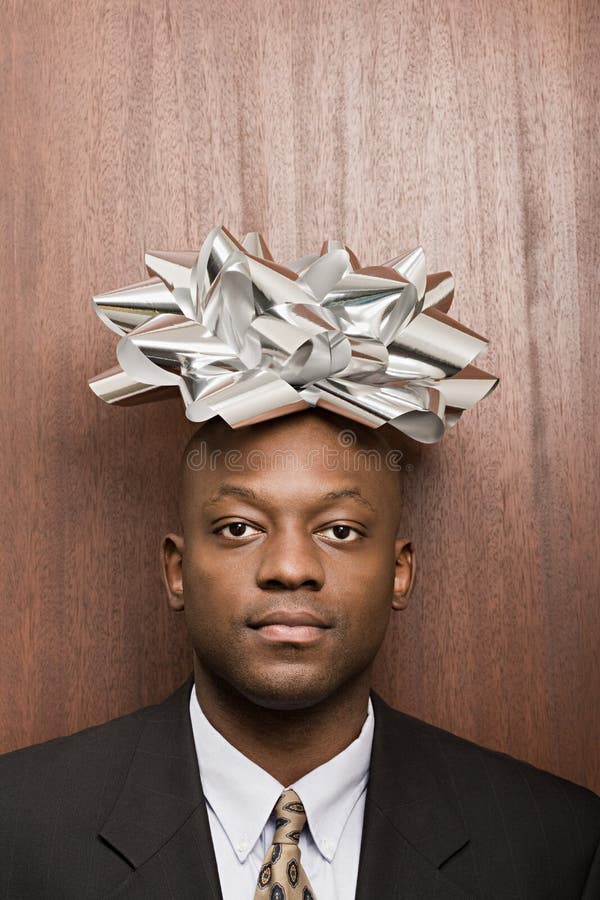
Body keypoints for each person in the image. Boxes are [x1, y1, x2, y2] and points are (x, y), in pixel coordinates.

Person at [1, 409, 599, 900]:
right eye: (240, 528)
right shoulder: (17, 825)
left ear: (398, 573)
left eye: (338, 530)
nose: (290, 569)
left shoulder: (558, 844)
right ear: (177, 572)